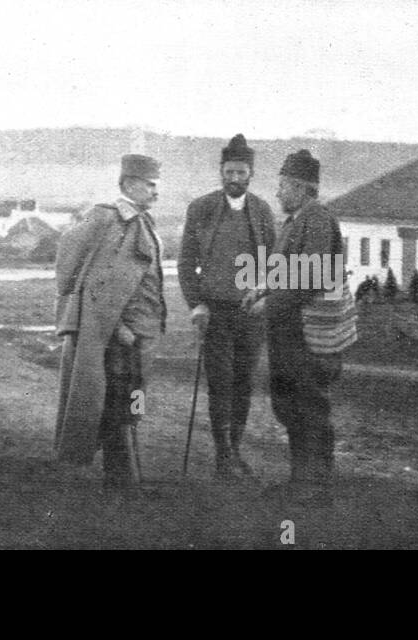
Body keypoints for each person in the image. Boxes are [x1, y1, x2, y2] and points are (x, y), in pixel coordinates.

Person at [53, 154, 166, 501]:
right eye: (150, 185)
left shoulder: (143, 222)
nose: (156, 193)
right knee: (118, 403)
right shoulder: (107, 219)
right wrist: (117, 327)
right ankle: (121, 482)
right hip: (122, 335)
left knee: (132, 401)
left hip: (143, 332)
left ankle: (129, 478)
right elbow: (95, 283)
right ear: (129, 183)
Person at [244, 149, 343, 505]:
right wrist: (262, 287)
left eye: (283, 186)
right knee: (291, 408)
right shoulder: (297, 219)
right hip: (289, 334)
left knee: (310, 409)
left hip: (308, 336)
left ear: (300, 187)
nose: (278, 193)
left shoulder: (316, 219)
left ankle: (315, 488)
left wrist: (270, 301)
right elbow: (288, 271)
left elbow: (311, 277)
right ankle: (300, 481)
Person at [179, 134, 277, 481]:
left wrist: (264, 294)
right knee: (220, 383)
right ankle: (223, 457)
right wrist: (195, 304)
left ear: (251, 174)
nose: (234, 179)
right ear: (221, 172)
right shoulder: (202, 209)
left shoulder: (263, 211)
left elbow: (273, 264)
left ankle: (235, 451)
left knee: (244, 383)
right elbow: (186, 263)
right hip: (214, 313)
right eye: (229, 172)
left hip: (250, 314)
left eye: (241, 173)